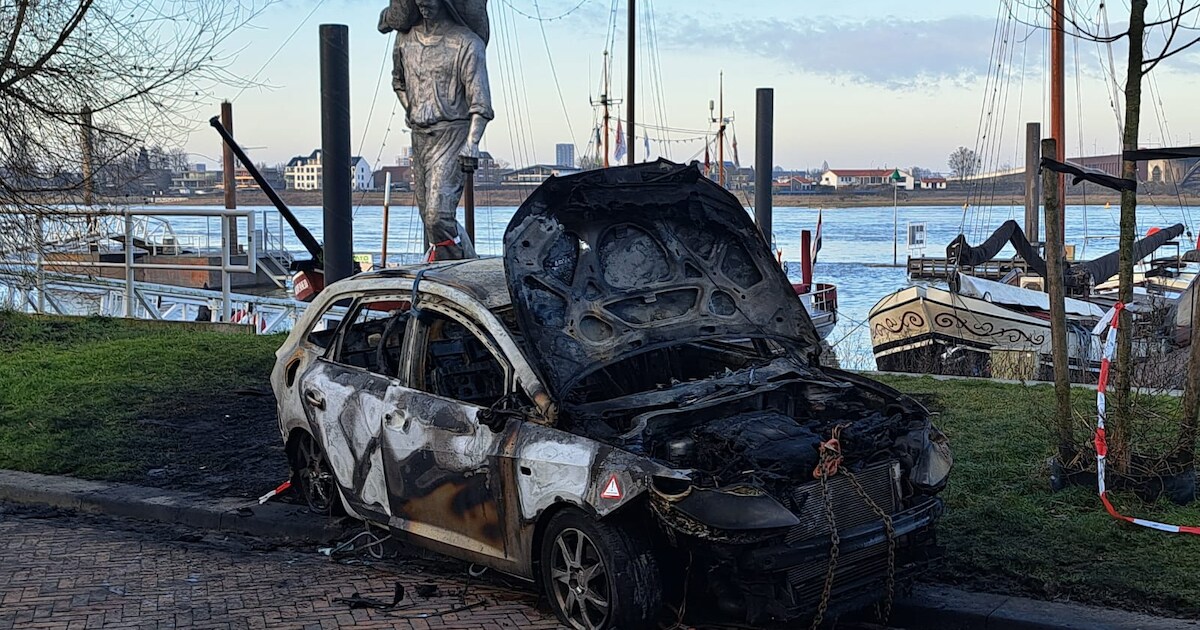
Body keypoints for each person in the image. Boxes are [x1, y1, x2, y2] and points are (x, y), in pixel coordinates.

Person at [379, 0, 491, 261]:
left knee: (437, 216)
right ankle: (460, 263)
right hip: (419, 135)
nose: (424, 3)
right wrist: (411, 108)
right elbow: (398, 82)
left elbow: (481, 103)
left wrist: (472, 143)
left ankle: (463, 269)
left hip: (453, 133)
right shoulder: (404, 40)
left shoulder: (467, 43)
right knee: (429, 220)